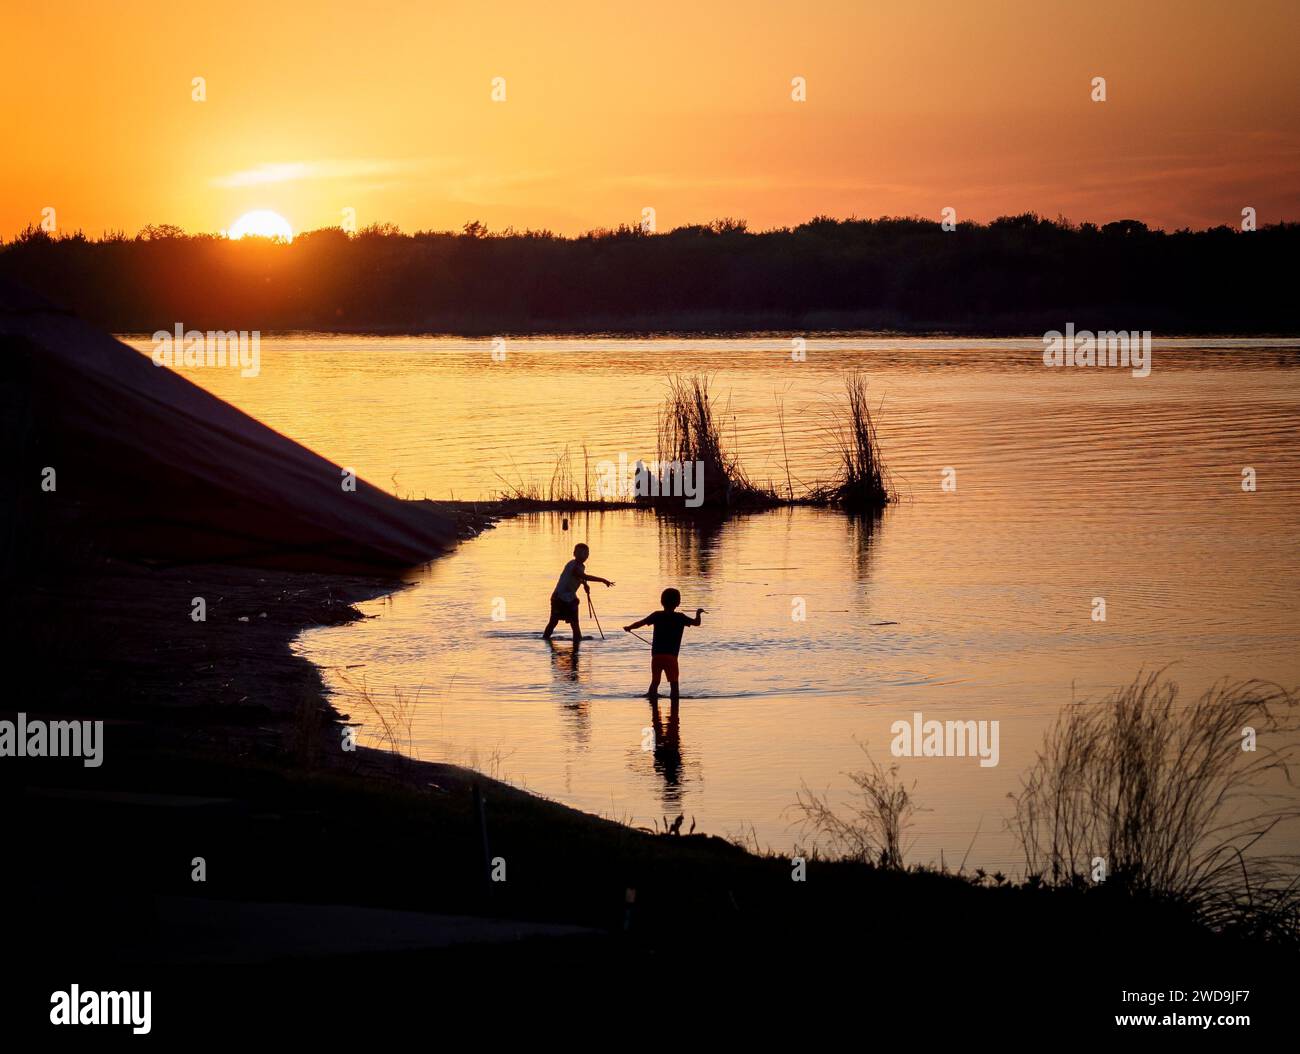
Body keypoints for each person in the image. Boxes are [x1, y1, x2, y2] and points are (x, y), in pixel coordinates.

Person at [623, 588, 703, 702]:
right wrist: (698, 613)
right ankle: (674, 710)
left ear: (661, 601)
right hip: (671, 657)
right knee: (674, 685)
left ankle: (652, 705)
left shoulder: (656, 615)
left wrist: (629, 627)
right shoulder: (680, 617)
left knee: (655, 682)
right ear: (678, 603)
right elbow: (697, 623)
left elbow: (640, 623)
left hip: (657, 656)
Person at [542, 543, 613, 643]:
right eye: (580, 553)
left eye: (585, 554)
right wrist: (602, 580)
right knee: (553, 622)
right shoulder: (573, 565)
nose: (583, 556)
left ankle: (577, 643)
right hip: (559, 598)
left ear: (587, 556)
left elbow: (580, 577)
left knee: (575, 624)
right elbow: (581, 575)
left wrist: (584, 584)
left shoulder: (580, 566)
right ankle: (546, 639)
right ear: (574, 554)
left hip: (570, 598)